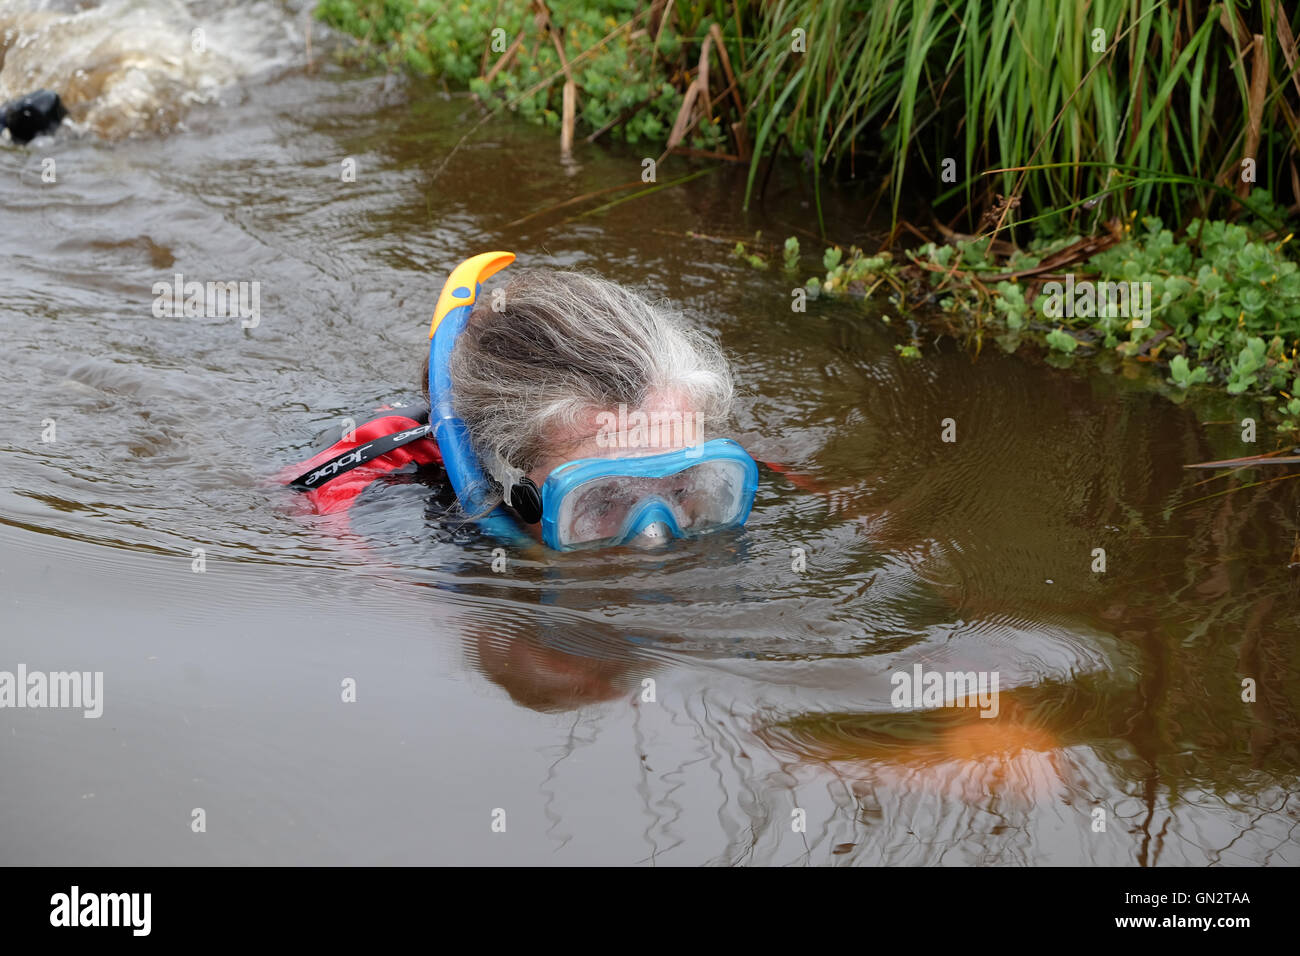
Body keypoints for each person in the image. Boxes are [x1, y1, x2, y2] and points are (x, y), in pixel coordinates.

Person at [285, 252, 758, 551]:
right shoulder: (365, 510)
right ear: (502, 479)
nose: (655, 538)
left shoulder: (695, 449)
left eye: (680, 487)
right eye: (602, 497)